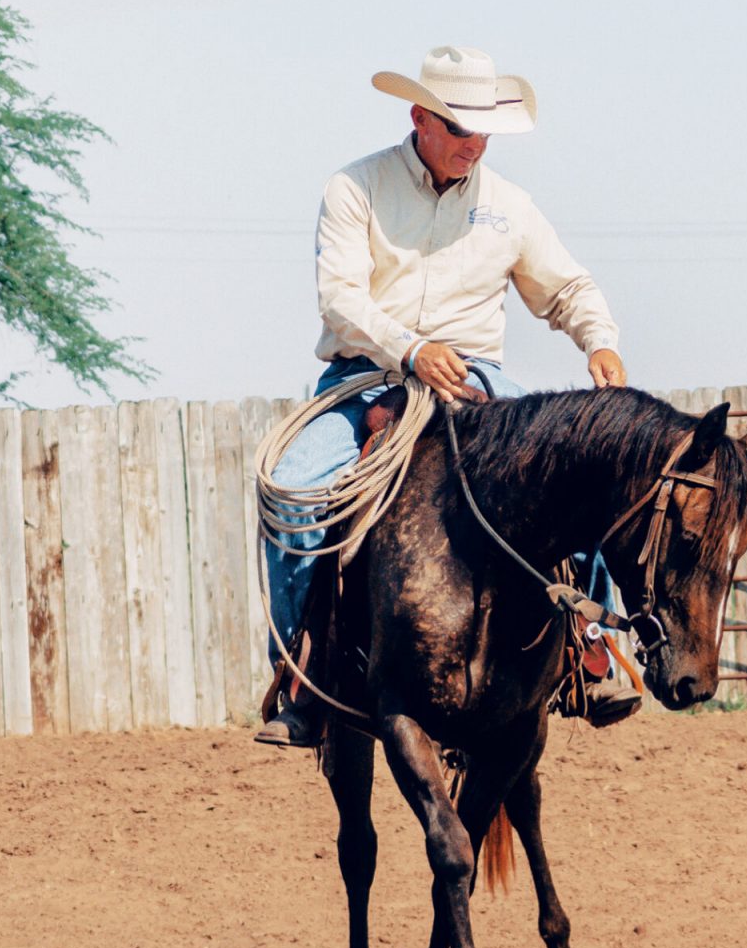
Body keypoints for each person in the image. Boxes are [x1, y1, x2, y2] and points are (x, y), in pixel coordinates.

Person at [255, 45, 637, 748]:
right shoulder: (355, 188)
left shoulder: (509, 208)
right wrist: (406, 347)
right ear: (419, 119)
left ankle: (596, 644)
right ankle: (303, 671)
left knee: (579, 469)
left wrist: (599, 340)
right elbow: (340, 296)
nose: (476, 144)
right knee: (293, 489)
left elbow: (568, 288)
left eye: (483, 130)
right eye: (461, 129)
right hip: (366, 377)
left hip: (476, 379)